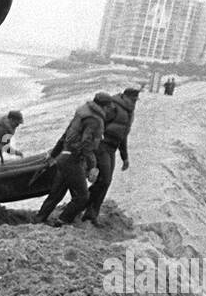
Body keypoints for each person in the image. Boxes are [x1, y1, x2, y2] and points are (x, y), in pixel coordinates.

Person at [34, 93, 113, 227]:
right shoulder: (95, 120)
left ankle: (39, 219)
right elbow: (86, 144)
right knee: (82, 197)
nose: (109, 110)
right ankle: (62, 221)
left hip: (63, 157)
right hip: (73, 159)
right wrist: (92, 165)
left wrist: (54, 154)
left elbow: (65, 135)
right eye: (108, 107)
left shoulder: (81, 113)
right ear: (104, 107)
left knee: (56, 194)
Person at [84, 87, 139, 225]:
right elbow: (97, 123)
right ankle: (88, 210)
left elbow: (122, 136)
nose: (134, 102)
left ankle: (89, 210)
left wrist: (124, 157)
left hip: (111, 149)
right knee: (105, 180)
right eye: (132, 99)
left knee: (104, 181)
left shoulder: (128, 112)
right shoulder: (114, 107)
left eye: (136, 100)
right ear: (125, 96)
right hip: (102, 146)